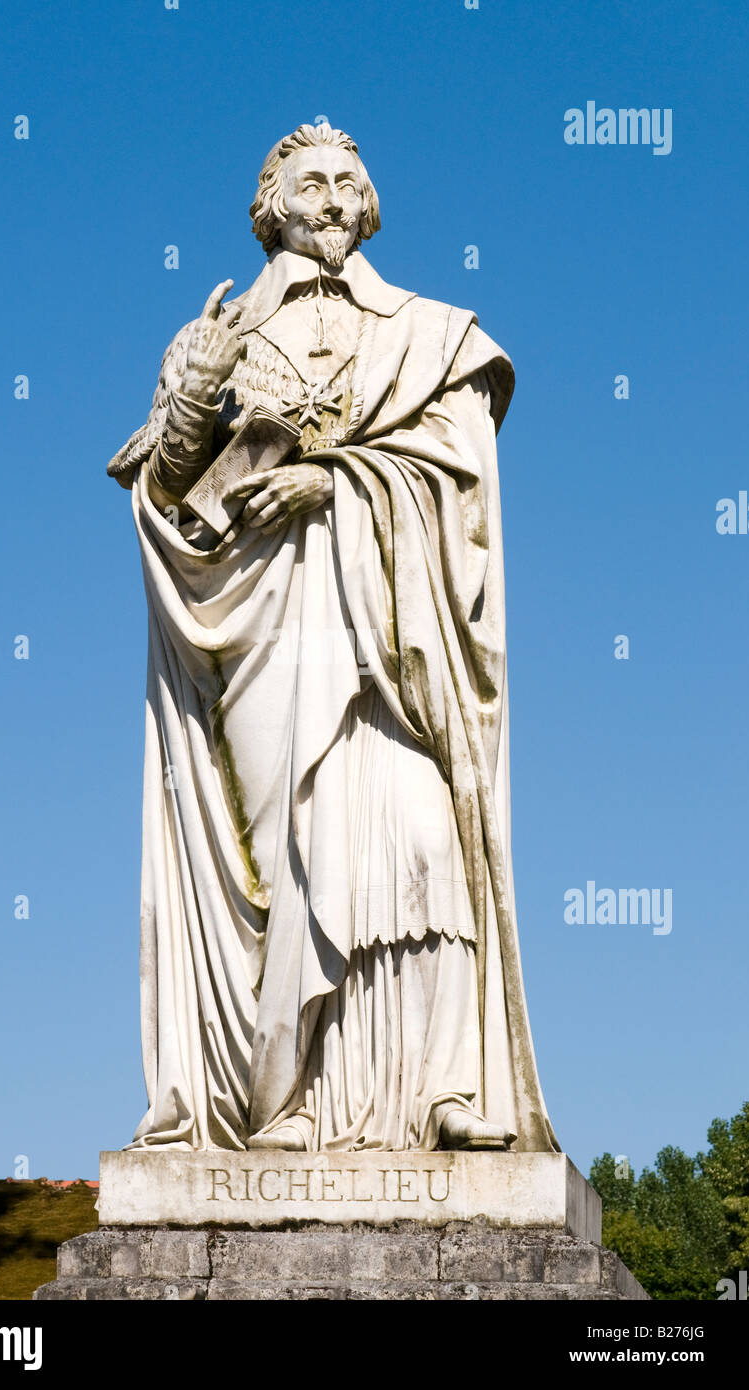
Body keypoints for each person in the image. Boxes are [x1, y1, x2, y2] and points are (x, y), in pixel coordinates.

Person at [108, 123, 557, 1154]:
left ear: (368, 206)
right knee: (292, 862)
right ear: (270, 207)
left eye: (346, 181)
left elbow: (461, 484)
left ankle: (438, 1089)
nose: (328, 196)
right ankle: (289, 1101)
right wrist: (188, 401)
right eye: (307, 181)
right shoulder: (219, 336)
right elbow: (167, 501)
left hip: (389, 642)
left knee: (419, 835)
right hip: (264, 631)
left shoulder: (427, 333)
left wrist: (337, 477)